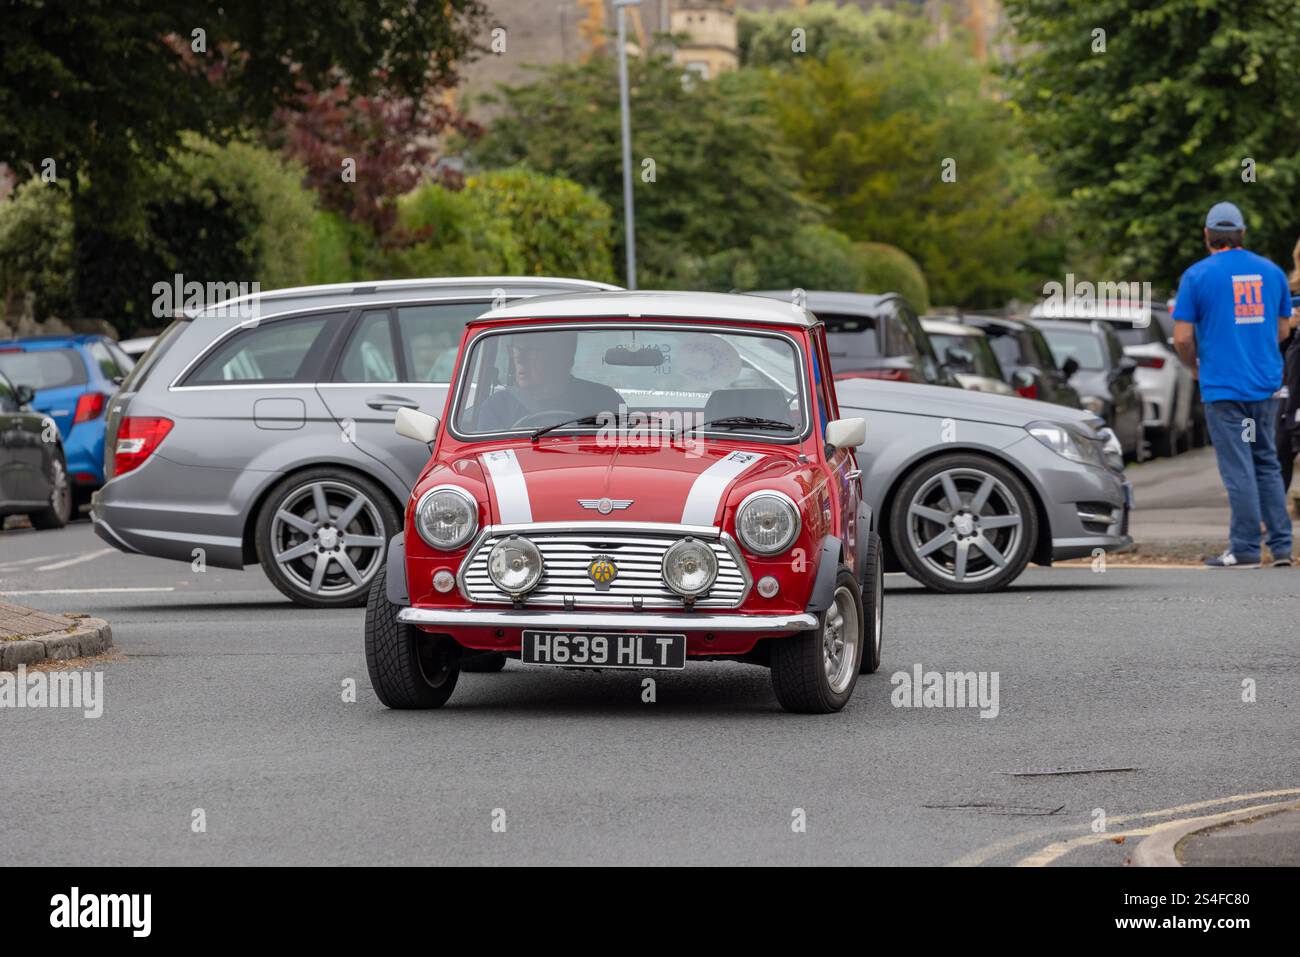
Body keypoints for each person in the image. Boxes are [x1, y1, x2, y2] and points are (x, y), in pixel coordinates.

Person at [1172, 201, 1293, 567]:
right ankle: (1283, 547)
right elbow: (1284, 329)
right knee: (1266, 462)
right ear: (1242, 234)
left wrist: (1193, 367)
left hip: (1225, 391)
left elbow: (1181, 337)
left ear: (1207, 235)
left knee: (1239, 466)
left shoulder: (1196, 276)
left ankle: (1244, 548)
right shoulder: (1272, 273)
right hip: (1264, 388)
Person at [474, 330, 623, 431]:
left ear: (563, 356)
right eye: (517, 349)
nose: (520, 359)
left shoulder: (604, 401)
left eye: (532, 350)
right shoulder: (497, 408)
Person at [1276, 237, 1300, 495]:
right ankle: (1270, 514)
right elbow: (1274, 343)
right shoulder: (1290, 292)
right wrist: (1290, 327)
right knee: (1282, 445)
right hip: (1293, 383)